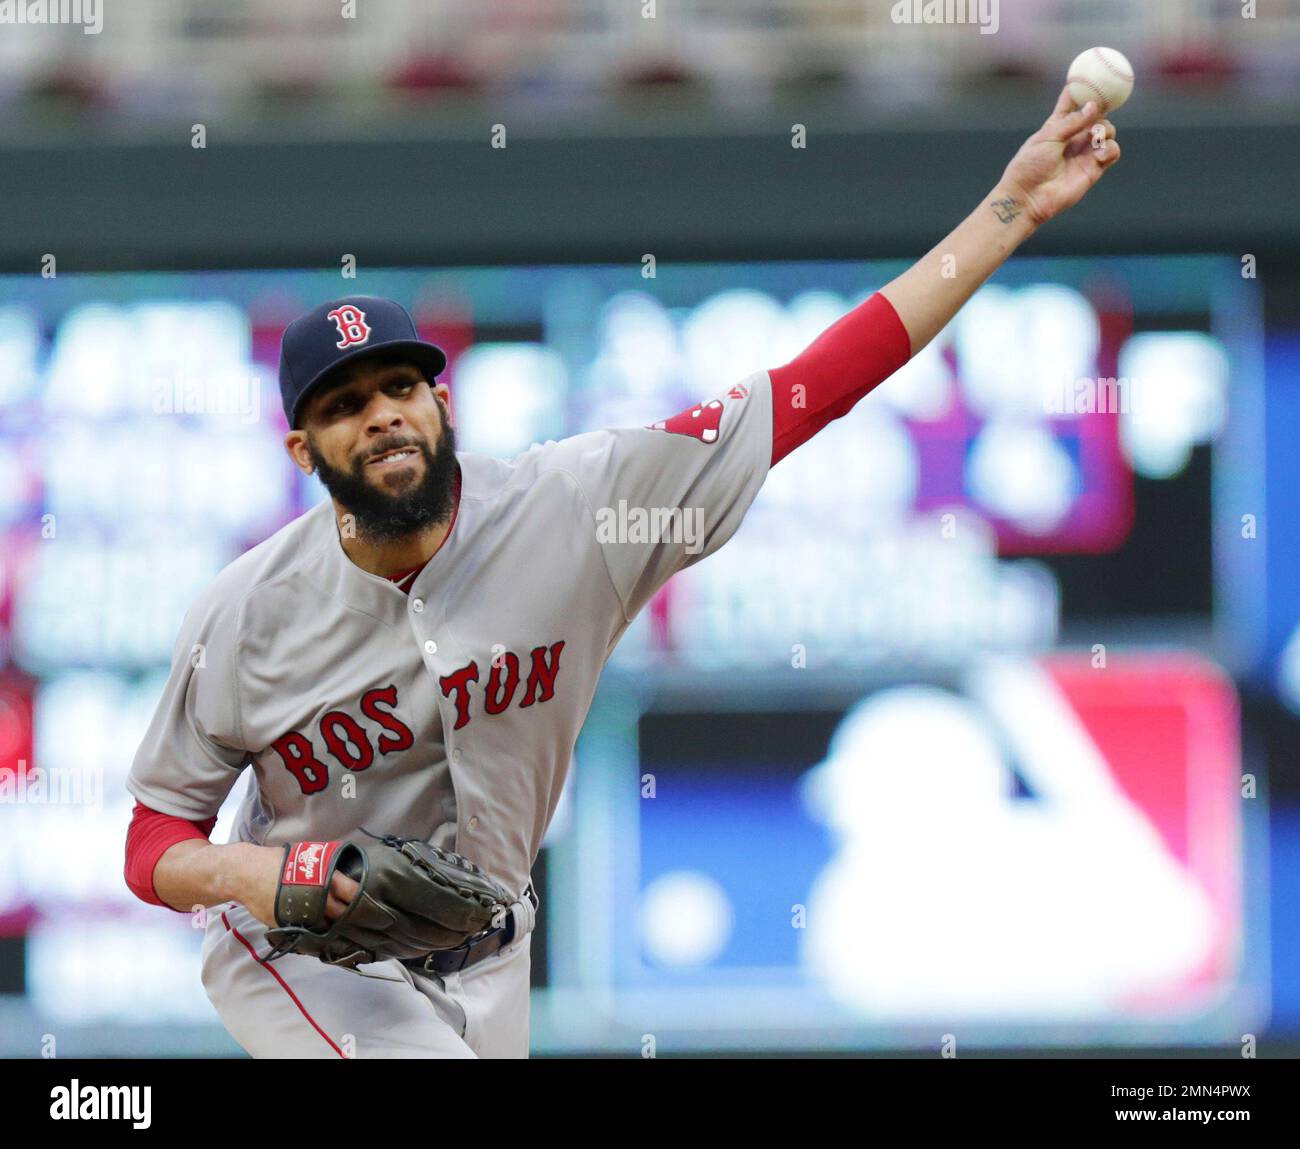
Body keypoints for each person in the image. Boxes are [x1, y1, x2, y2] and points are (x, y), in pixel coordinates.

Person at [122, 90, 1120, 1058]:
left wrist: (1011, 210)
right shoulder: (247, 614)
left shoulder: (583, 507)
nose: (382, 413)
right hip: (305, 952)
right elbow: (153, 840)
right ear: (303, 450)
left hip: (488, 952)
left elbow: (812, 389)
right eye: (344, 404)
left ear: (443, 405)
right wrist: (262, 873)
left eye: (399, 386)